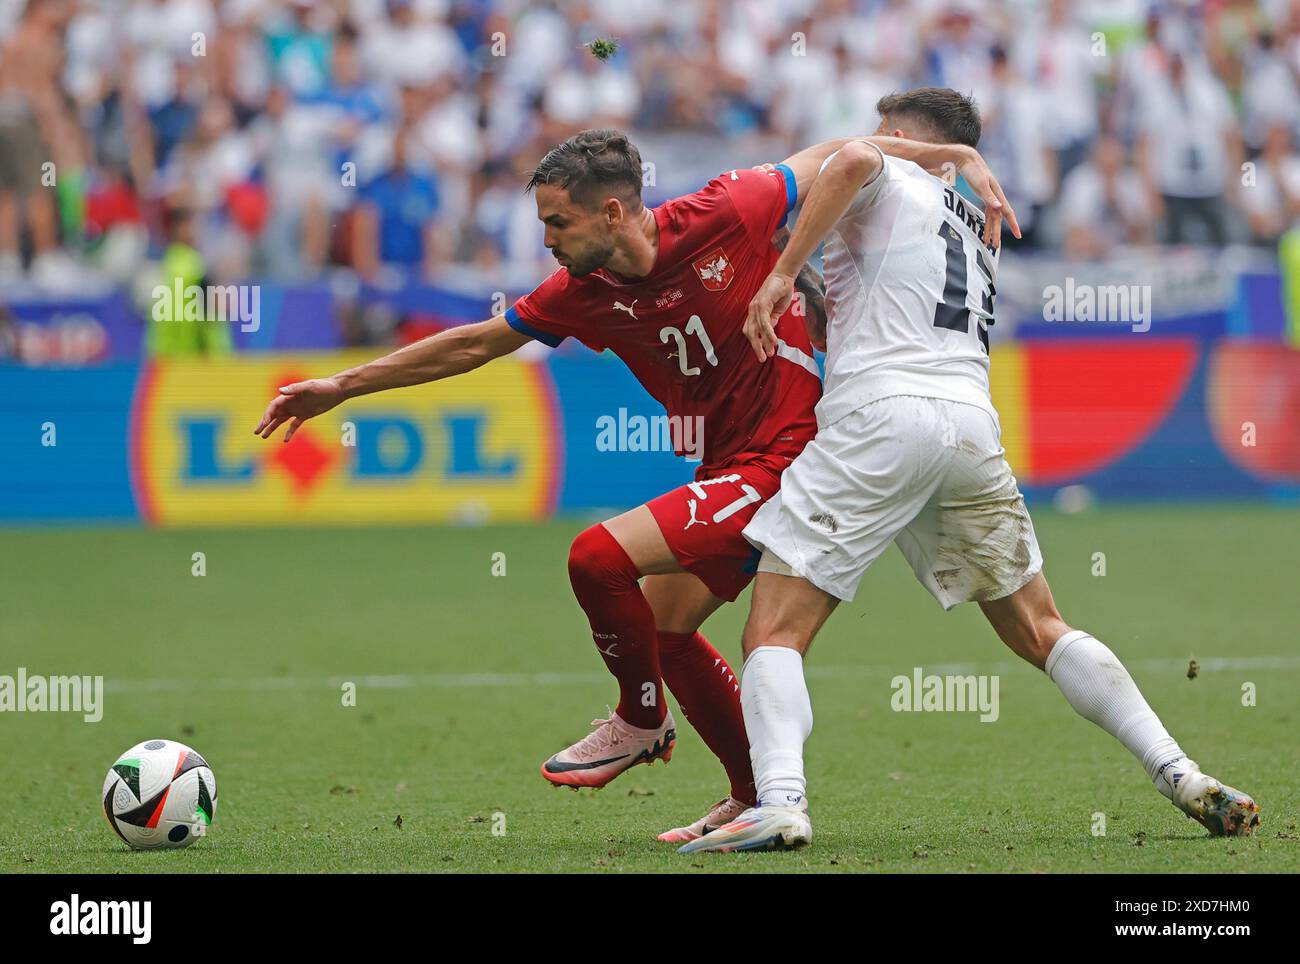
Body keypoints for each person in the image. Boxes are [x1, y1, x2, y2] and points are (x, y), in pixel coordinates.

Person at [253, 126, 1012, 842]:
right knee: (663, 629)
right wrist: (341, 387)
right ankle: (755, 797)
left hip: (794, 456)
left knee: (596, 557)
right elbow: (474, 345)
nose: (547, 240)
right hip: (727, 466)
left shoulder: (728, 208)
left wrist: (949, 151)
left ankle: (641, 719)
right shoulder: (578, 292)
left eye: (558, 222)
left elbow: (844, 152)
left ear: (612, 211)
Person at [681, 88, 1259, 853]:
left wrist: (785, 272)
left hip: (880, 416)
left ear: (896, 135)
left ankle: (780, 800)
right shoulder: (972, 223)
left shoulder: (884, 166)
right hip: (968, 428)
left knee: (775, 631)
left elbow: (851, 158)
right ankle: (1178, 770)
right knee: (1042, 627)